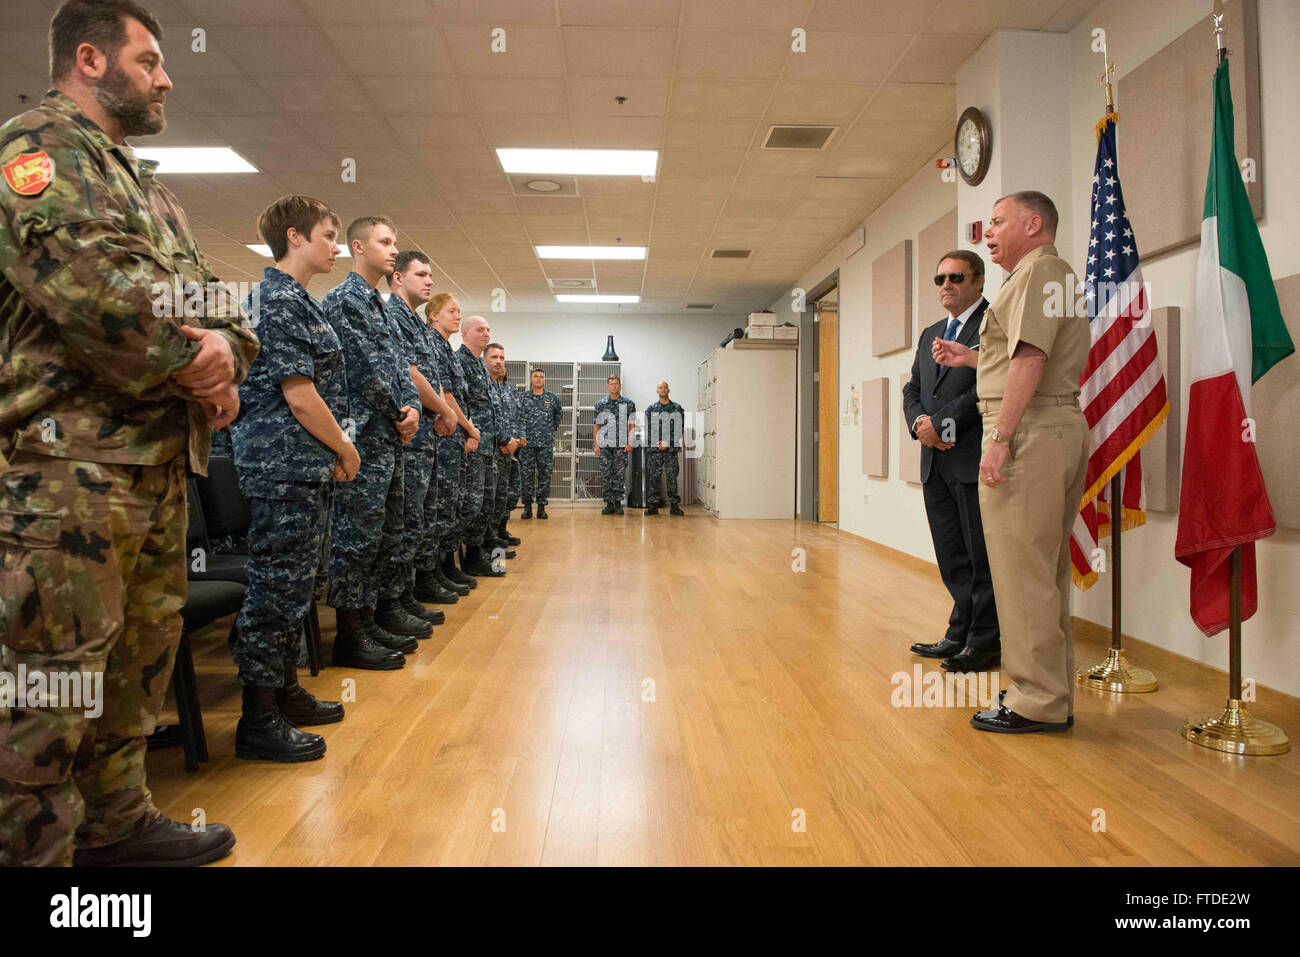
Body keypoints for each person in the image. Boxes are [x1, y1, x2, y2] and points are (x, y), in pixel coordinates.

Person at [0, 0, 259, 866]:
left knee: (137, 663)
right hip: (66, 470)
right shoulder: (36, 150)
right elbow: (98, 290)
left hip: (151, 468)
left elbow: (219, 297)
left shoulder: (148, 187)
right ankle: (33, 849)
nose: (166, 76)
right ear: (89, 58)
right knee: (51, 679)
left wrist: (230, 346)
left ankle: (116, 822)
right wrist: (203, 360)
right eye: (149, 60)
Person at [933, 191, 1089, 734]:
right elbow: (1020, 356)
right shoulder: (1048, 275)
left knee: (1021, 571)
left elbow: (1031, 358)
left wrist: (999, 436)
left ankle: (1034, 699)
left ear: (1035, 222)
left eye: (998, 221)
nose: (988, 231)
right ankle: (1050, 692)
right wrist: (973, 358)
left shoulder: (1039, 273)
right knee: (1040, 570)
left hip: (1028, 432)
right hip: (1049, 425)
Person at [230, 195, 354, 763]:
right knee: (274, 589)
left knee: (295, 586)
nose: (338, 246)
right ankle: (257, 718)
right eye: (329, 235)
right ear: (296, 238)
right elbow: (300, 396)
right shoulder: (277, 301)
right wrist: (345, 445)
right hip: (281, 467)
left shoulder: (300, 301)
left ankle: (281, 692)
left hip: (300, 466)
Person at [322, 216, 423, 669]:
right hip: (363, 436)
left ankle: (369, 619)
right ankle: (348, 634)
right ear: (358, 247)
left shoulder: (379, 305)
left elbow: (400, 367)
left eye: (395, 240)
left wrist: (412, 407)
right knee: (356, 538)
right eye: (385, 241)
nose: (392, 249)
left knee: (385, 533)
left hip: (389, 434)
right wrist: (399, 411)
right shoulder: (345, 300)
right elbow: (366, 369)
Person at [903, 250, 1000, 674]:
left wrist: (940, 423)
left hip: (973, 457)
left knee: (982, 554)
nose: (946, 285)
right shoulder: (930, 334)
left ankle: (985, 641)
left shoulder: (994, 326)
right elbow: (913, 389)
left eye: (955, 277)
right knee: (951, 552)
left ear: (978, 281)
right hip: (935, 462)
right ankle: (959, 631)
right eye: (939, 278)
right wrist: (921, 421)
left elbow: (992, 384)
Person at [385, 252, 460, 612]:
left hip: (425, 438)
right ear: (398, 277)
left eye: (431, 274)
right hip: (406, 439)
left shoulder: (413, 323)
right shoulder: (391, 315)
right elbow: (412, 374)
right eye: (421, 274)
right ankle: (393, 603)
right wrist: (445, 410)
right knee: (405, 523)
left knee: (420, 520)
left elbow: (430, 380)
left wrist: (445, 412)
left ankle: (408, 593)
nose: (429, 281)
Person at [425, 294, 478, 596]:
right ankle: (429, 575)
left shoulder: (445, 347)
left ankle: (444, 567)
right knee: (439, 507)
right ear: (433, 315)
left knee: (449, 507)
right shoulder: (432, 343)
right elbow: (445, 395)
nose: (458, 316)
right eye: (451, 311)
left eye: (460, 311)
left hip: (453, 437)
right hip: (442, 436)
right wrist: (469, 427)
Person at [484, 344, 521, 556]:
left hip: (510, 448)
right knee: (491, 497)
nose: (499, 362)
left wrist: (515, 440)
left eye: (502, 358)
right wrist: (505, 441)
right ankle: (489, 541)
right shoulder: (486, 385)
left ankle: (498, 532)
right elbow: (490, 417)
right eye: (494, 357)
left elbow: (514, 416)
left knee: (506, 494)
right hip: (494, 448)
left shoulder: (507, 388)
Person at [518, 369, 562, 519]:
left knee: (545, 475)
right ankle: (527, 507)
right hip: (526, 443)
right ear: (530, 379)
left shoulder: (552, 398)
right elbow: (517, 418)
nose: (538, 379)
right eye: (535, 377)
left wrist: (549, 430)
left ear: (544, 380)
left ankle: (542, 507)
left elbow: (558, 416)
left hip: (545, 443)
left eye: (541, 377)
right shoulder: (522, 398)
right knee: (526, 476)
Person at [594, 375, 635, 514]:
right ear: (608, 386)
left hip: (621, 445)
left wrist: (630, 443)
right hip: (605, 445)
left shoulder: (628, 404)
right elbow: (597, 426)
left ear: (620, 385)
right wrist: (596, 444)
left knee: (619, 474)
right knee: (606, 474)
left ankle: (617, 503)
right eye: (611, 384)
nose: (614, 386)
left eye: (616, 383)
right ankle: (608, 503)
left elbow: (632, 425)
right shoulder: (601, 404)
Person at [643, 381, 685, 516]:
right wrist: (657, 443)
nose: (663, 390)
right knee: (653, 478)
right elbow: (648, 430)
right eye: (660, 388)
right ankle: (653, 506)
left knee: (672, 477)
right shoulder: (651, 409)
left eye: (665, 387)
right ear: (657, 391)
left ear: (668, 390)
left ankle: (674, 506)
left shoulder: (677, 408)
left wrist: (668, 442)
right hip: (655, 450)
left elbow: (679, 429)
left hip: (670, 450)